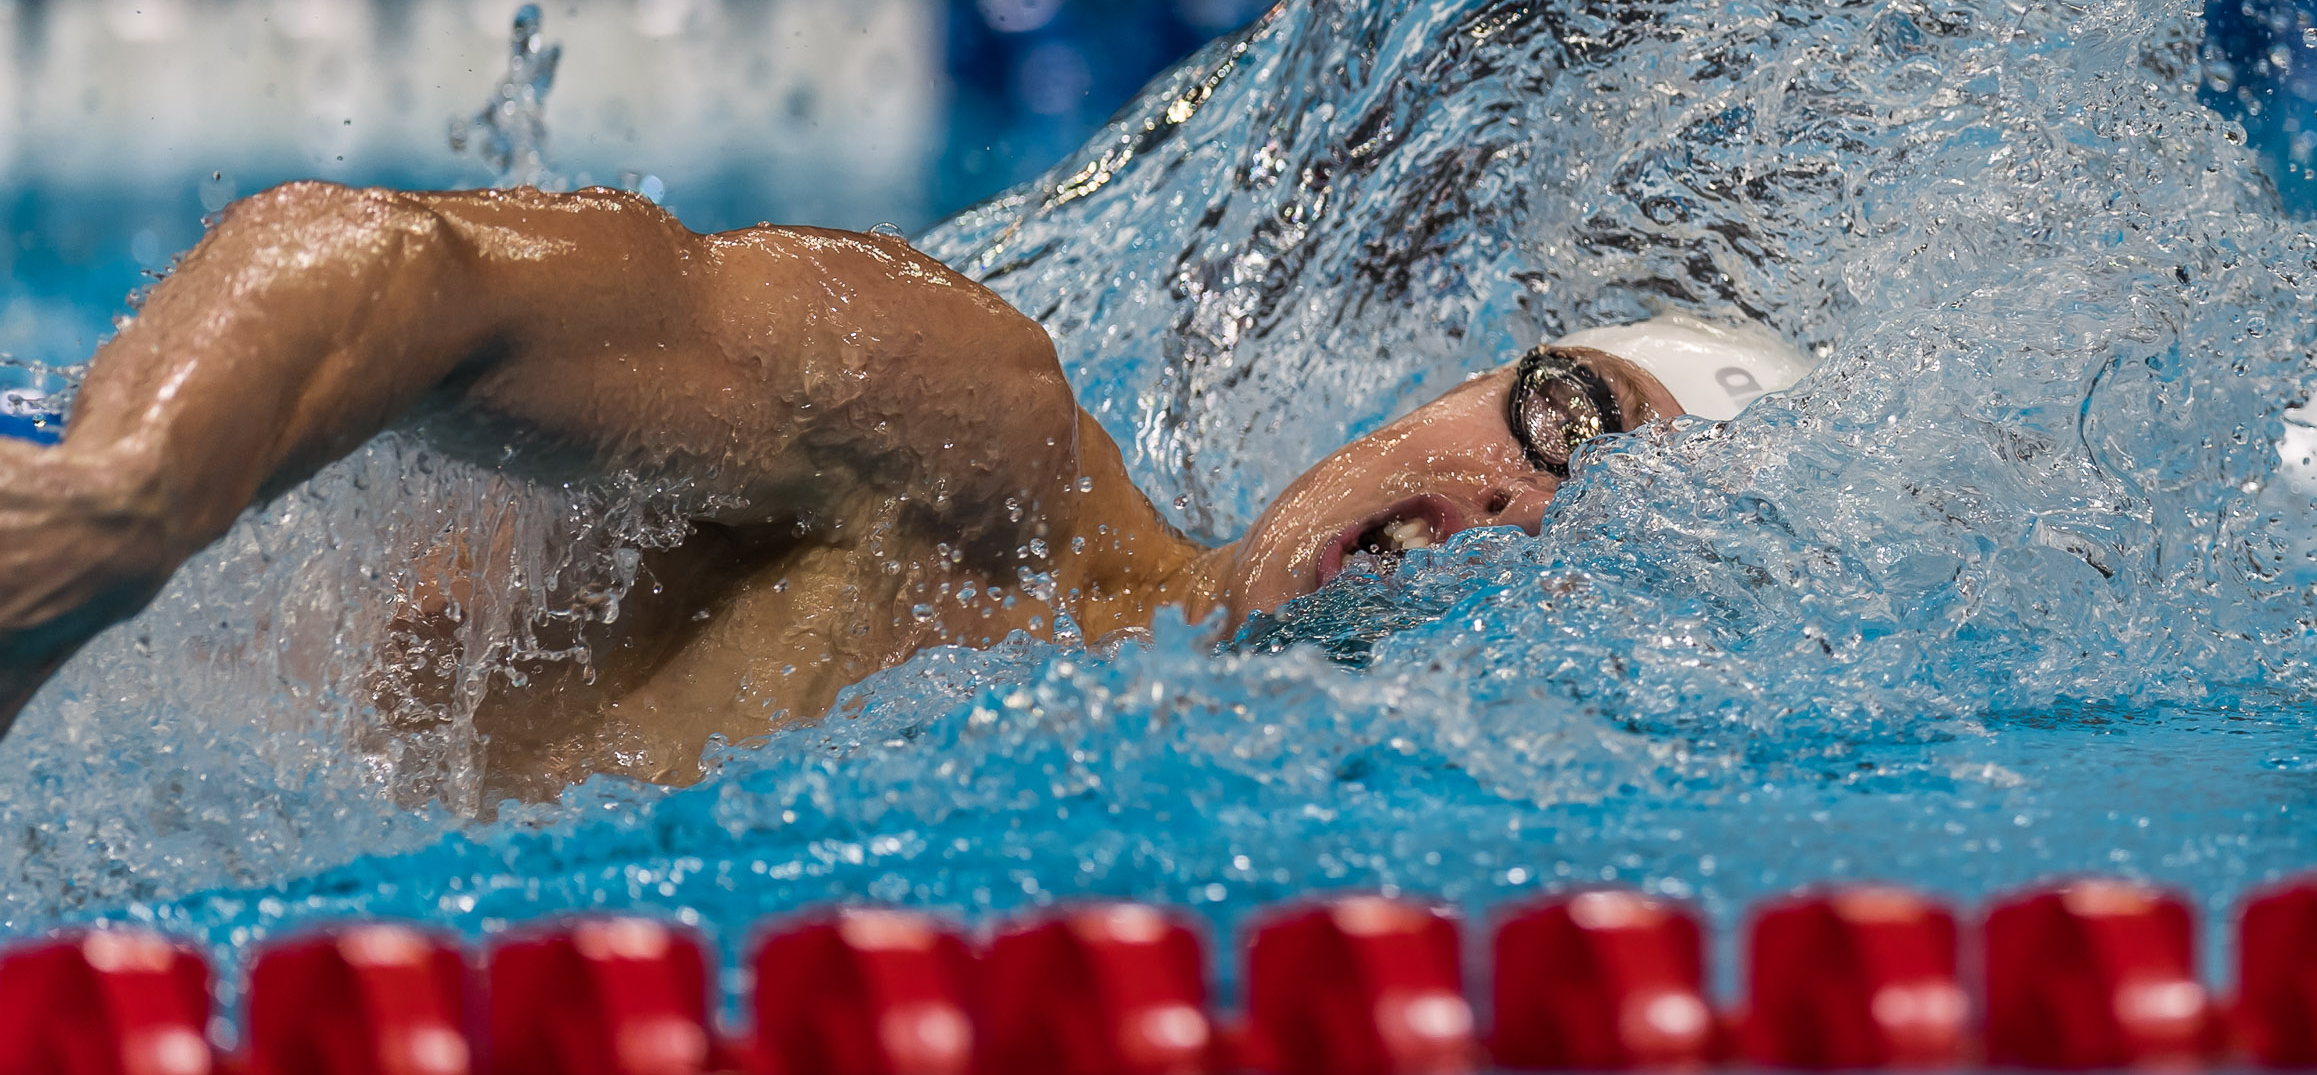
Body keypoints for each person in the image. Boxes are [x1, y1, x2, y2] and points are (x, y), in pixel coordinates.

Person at [0, 183, 1806, 798]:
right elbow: (388, 264)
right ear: (1448, 386)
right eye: (1567, 418)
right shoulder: (973, 448)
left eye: (1612, 542)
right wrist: (119, 518)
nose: (1517, 509)